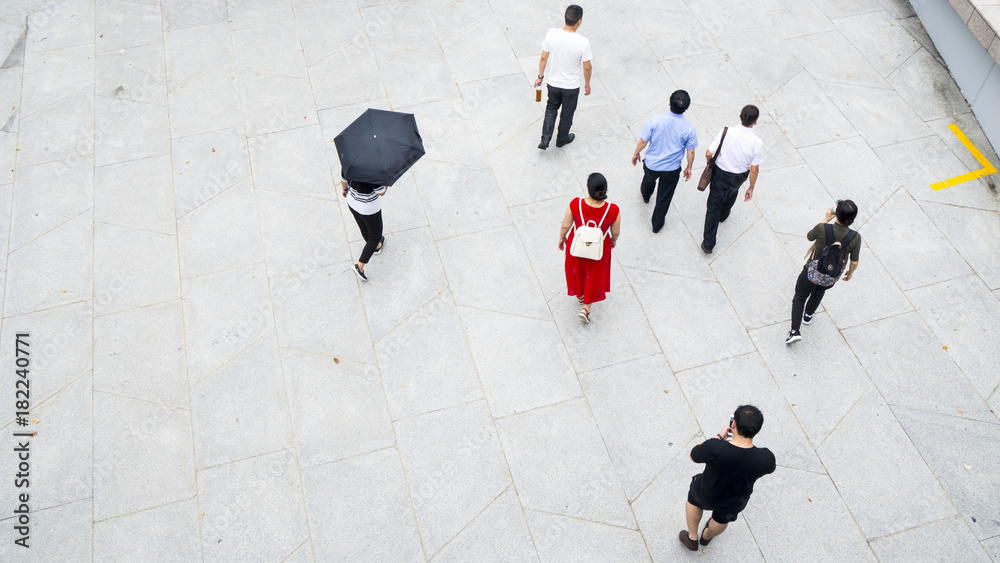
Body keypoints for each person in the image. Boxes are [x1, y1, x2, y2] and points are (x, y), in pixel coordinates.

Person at [680, 405, 775, 552]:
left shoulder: (715, 448)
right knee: (721, 519)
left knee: (694, 500)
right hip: (734, 501)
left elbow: (694, 455)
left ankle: (692, 538)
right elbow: (770, 469)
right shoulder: (766, 458)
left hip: (707, 491)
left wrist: (719, 437)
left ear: (734, 423)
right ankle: (706, 536)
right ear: (757, 430)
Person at [786, 200, 861, 344]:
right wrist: (850, 273)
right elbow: (854, 261)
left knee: (800, 296)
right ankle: (808, 315)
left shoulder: (822, 228)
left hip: (811, 272)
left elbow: (809, 236)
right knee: (819, 291)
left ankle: (795, 331)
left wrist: (826, 219)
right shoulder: (855, 237)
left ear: (836, 214)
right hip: (830, 276)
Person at [631, 90, 697, 233]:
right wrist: (689, 167)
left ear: (669, 103)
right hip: (671, 169)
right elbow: (690, 150)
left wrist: (636, 153)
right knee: (664, 197)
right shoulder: (689, 128)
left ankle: (646, 195)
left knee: (648, 180)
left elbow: (643, 141)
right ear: (687, 108)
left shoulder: (656, 120)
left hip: (652, 164)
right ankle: (657, 224)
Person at [700, 105, 763, 254]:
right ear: (756, 121)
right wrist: (751, 187)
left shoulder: (726, 131)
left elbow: (709, 153)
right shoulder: (757, 142)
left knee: (713, 206)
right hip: (739, 176)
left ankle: (708, 244)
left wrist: (709, 161)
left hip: (720, 173)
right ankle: (724, 214)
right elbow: (754, 169)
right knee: (732, 191)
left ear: (740, 116)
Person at [558, 173, 621, 323]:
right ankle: (586, 308)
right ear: (605, 190)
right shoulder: (613, 210)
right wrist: (613, 240)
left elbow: (566, 225)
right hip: (599, 249)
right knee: (594, 275)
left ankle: (580, 295)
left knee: (578, 270)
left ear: (588, 189)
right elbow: (616, 232)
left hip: (578, 246)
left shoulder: (575, 204)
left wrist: (562, 237)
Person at [534, 4, 592, 150]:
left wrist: (540, 76)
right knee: (567, 114)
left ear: (564, 17)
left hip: (553, 83)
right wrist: (587, 84)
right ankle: (562, 138)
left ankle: (545, 139)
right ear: (579, 21)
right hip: (571, 87)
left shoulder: (551, 33)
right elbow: (587, 67)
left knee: (551, 108)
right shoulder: (583, 42)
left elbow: (543, 58)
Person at [341, 175, 387, 282]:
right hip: (369, 209)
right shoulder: (373, 172)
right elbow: (381, 192)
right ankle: (360, 266)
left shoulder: (349, 162)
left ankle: (376, 246)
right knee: (375, 237)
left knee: (362, 225)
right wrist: (386, 181)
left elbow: (343, 181)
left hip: (352, 202)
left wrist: (345, 190)